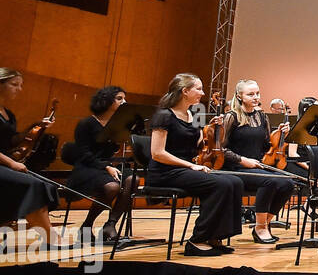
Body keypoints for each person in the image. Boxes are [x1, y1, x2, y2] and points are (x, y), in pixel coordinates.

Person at [147, 74, 244, 257]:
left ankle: (215, 236)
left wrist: (213, 128)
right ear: (185, 91)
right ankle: (197, 240)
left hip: (184, 169)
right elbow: (157, 153)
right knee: (221, 184)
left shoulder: (194, 113)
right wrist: (191, 166)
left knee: (235, 181)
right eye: (198, 89)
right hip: (165, 171)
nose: (202, 92)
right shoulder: (164, 115)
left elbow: (201, 144)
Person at [218, 79, 299, 243]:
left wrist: (281, 134)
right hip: (236, 168)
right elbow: (220, 149)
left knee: (288, 183)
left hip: (257, 167)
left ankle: (264, 223)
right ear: (240, 96)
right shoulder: (231, 117)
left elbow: (267, 145)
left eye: (257, 93)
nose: (256, 97)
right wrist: (242, 160)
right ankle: (260, 227)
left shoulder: (262, 116)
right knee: (270, 181)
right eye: (250, 94)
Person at [66, 85, 137, 244]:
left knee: (133, 180)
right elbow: (84, 154)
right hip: (87, 167)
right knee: (112, 187)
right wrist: (106, 166)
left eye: (124, 98)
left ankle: (110, 225)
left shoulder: (116, 125)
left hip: (108, 167)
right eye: (120, 99)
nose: (124, 102)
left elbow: (114, 151)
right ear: (107, 100)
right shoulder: (86, 123)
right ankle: (87, 225)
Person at [0, 68, 60, 249]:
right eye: (14, 84)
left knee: (46, 185)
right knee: (33, 185)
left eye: (21, 85)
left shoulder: (8, 114)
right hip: (3, 163)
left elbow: (12, 140)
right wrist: (12, 163)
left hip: (4, 163)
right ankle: (51, 239)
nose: (19, 89)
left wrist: (37, 127)